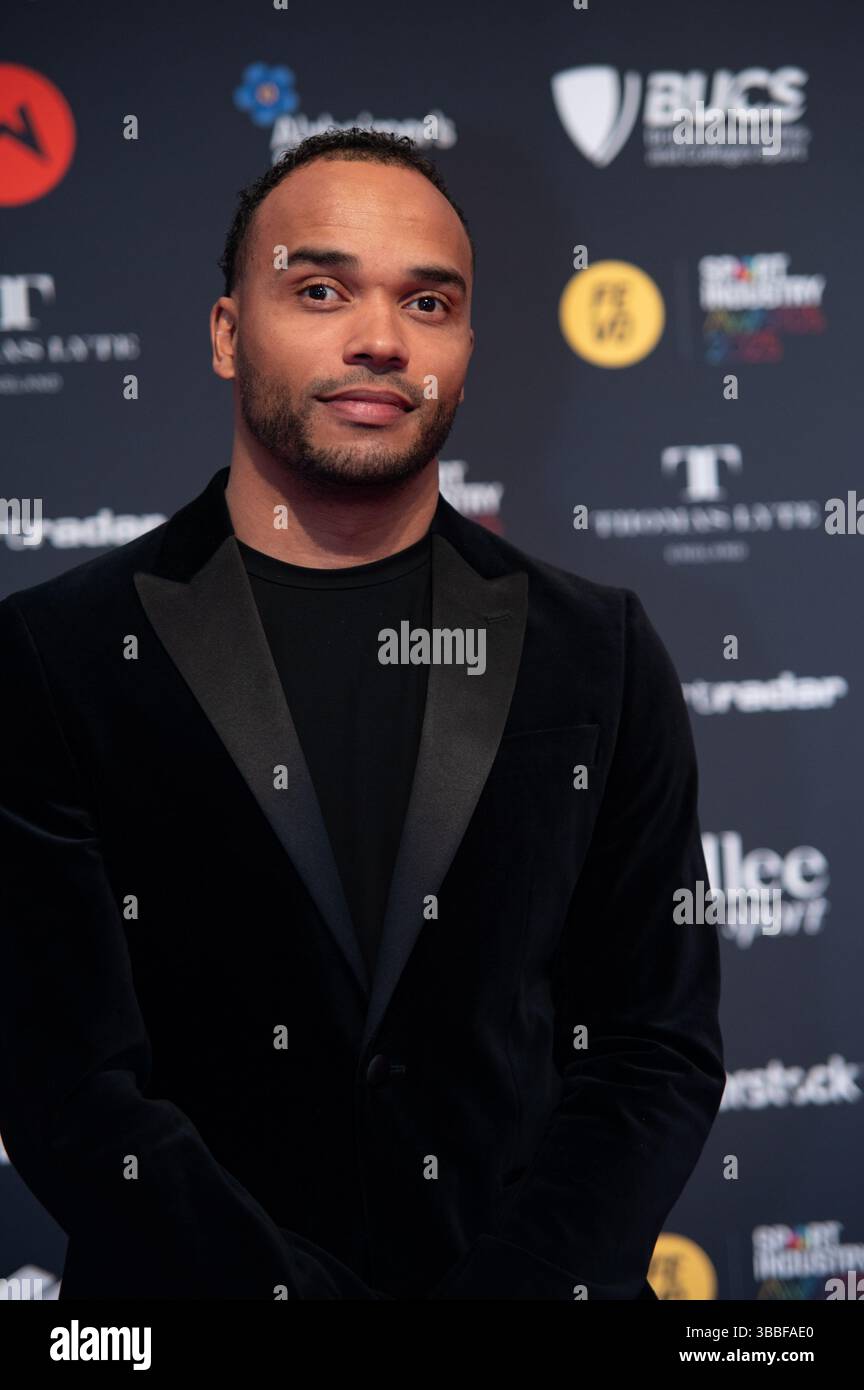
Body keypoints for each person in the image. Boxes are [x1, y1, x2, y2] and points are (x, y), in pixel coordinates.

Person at [0, 128, 724, 1300]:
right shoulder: (57, 655)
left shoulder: (601, 651)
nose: (380, 338)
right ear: (230, 333)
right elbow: (64, 1083)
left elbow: (654, 1047)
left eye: (427, 302)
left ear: (468, 346)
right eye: (321, 288)